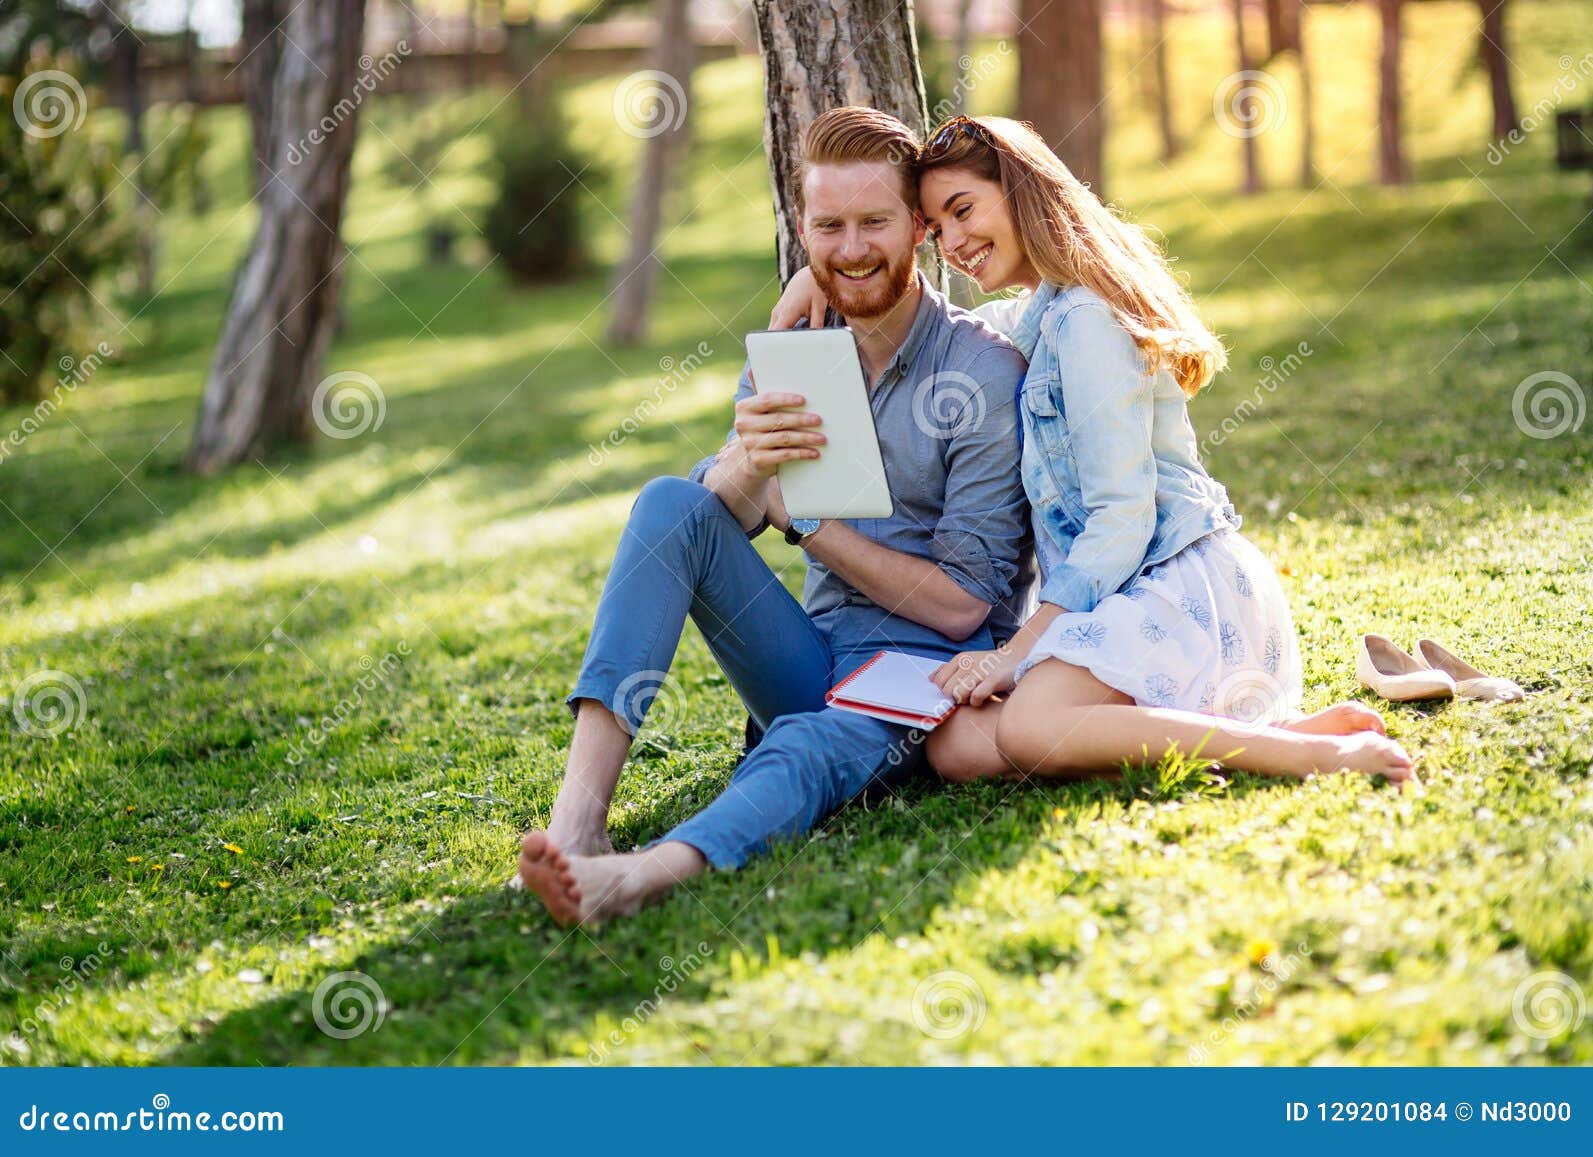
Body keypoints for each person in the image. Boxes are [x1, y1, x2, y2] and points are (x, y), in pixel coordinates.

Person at [771, 115, 1415, 786]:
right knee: (956, 745)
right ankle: (1257, 733)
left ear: (1019, 192)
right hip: (1112, 602)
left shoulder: (1085, 321)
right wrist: (824, 281)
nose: (955, 242)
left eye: (964, 210)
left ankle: (1308, 756)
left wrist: (1016, 653)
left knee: (1025, 726)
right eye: (939, 226)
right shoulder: (1037, 319)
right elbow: (945, 330)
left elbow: (1123, 524)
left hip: (1171, 586)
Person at [517, 107, 1033, 926]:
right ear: (803, 229)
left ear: (920, 227)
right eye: (830, 225)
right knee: (668, 500)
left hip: (926, 676)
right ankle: (578, 822)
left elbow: (965, 604)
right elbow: (705, 523)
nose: (852, 248)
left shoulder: (984, 372)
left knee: (803, 747)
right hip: (811, 653)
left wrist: (809, 525)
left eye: (875, 222)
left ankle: (639, 876)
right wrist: (744, 466)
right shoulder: (796, 348)